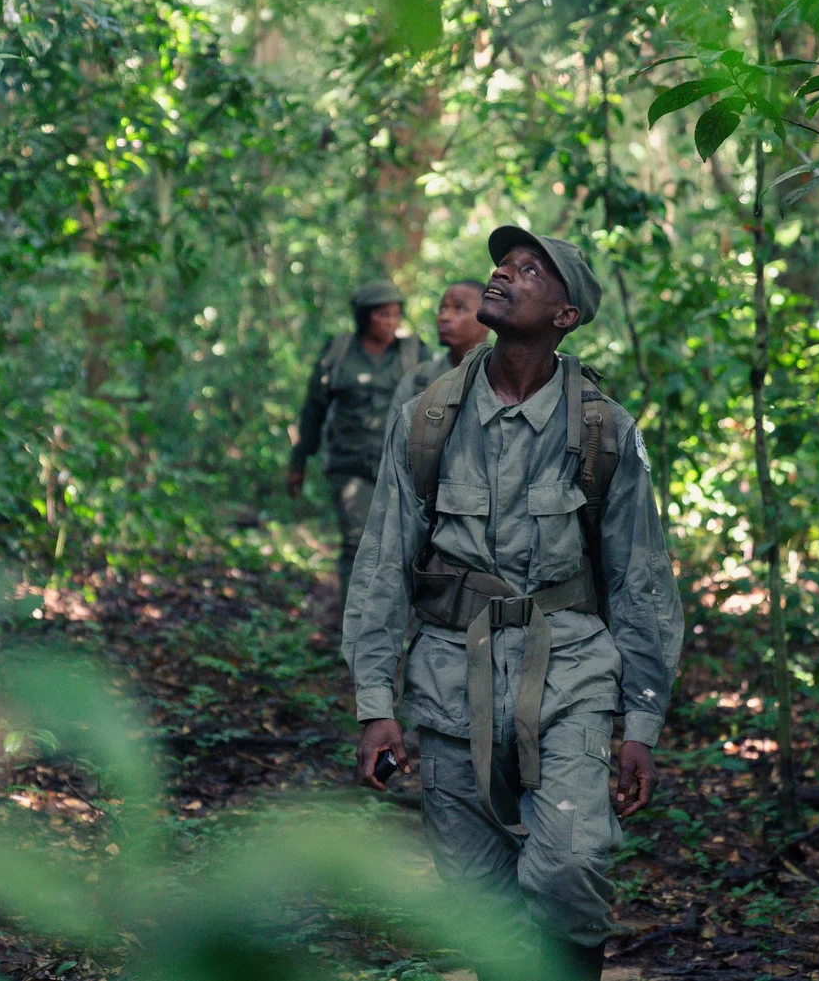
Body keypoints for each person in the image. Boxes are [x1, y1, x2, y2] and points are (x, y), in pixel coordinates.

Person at [340, 227, 684, 981]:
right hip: (449, 675)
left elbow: (641, 580)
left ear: (565, 315)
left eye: (530, 270)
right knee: (478, 895)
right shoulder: (428, 418)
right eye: (504, 262)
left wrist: (642, 723)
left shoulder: (603, 430)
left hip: (569, 671)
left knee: (571, 864)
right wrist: (375, 704)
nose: (503, 273)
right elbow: (383, 564)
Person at [288, 279, 429, 613]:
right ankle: (352, 628)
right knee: (357, 544)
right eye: (382, 314)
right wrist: (298, 461)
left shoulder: (414, 352)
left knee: (400, 547)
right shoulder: (339, 352)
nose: (390, 321)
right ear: (365, 316)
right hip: (349, 463)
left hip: (400, 466)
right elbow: (314, 409)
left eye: (395, 313)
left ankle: (390, 623)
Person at [386, 279, 491, 414]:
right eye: (442, 308)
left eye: (459, 308)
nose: (443, 317)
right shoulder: (418, 380)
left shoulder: (503, 381)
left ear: (487, 317)